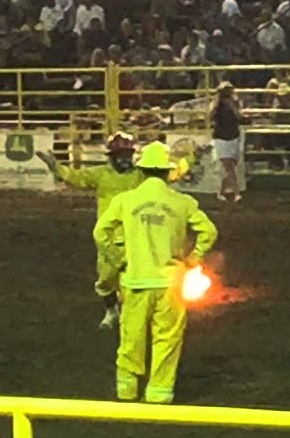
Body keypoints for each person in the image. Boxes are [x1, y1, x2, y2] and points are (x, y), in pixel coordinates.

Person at [93, 141, 218, 404]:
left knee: (131, 337)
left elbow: (100, 232)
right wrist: (194, 258)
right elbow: (209, 231)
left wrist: (119, 258)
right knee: (167, 339)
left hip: (135, 280)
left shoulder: (125, 201)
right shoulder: (182, 202)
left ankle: (126, 390)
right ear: (165, 171)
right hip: (171, 282)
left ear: (144, 170)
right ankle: (159, 393)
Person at [38, 132, 192, 329]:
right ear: (112, 157)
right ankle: (112, 309)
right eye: (120, 155)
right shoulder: (101, 174)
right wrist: (55, 166)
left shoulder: (142, 174)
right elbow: (74, 178)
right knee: (106, 278)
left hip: (137, 234)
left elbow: (171, 172)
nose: (124, 159)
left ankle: (135, 313)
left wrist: (190, 159)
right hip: (110, 236)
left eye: (127, 155)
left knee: (140, 276)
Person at [210, 81, 244, 202]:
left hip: (233, 136)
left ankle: (220, 191)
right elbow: (210, 116)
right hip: (221, 137)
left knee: (231, 165)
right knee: (229, 166)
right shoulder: (216, 104)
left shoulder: (234, 103)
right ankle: (236, 192)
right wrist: (216, 103)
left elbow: (239, 117)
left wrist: (233, 104)